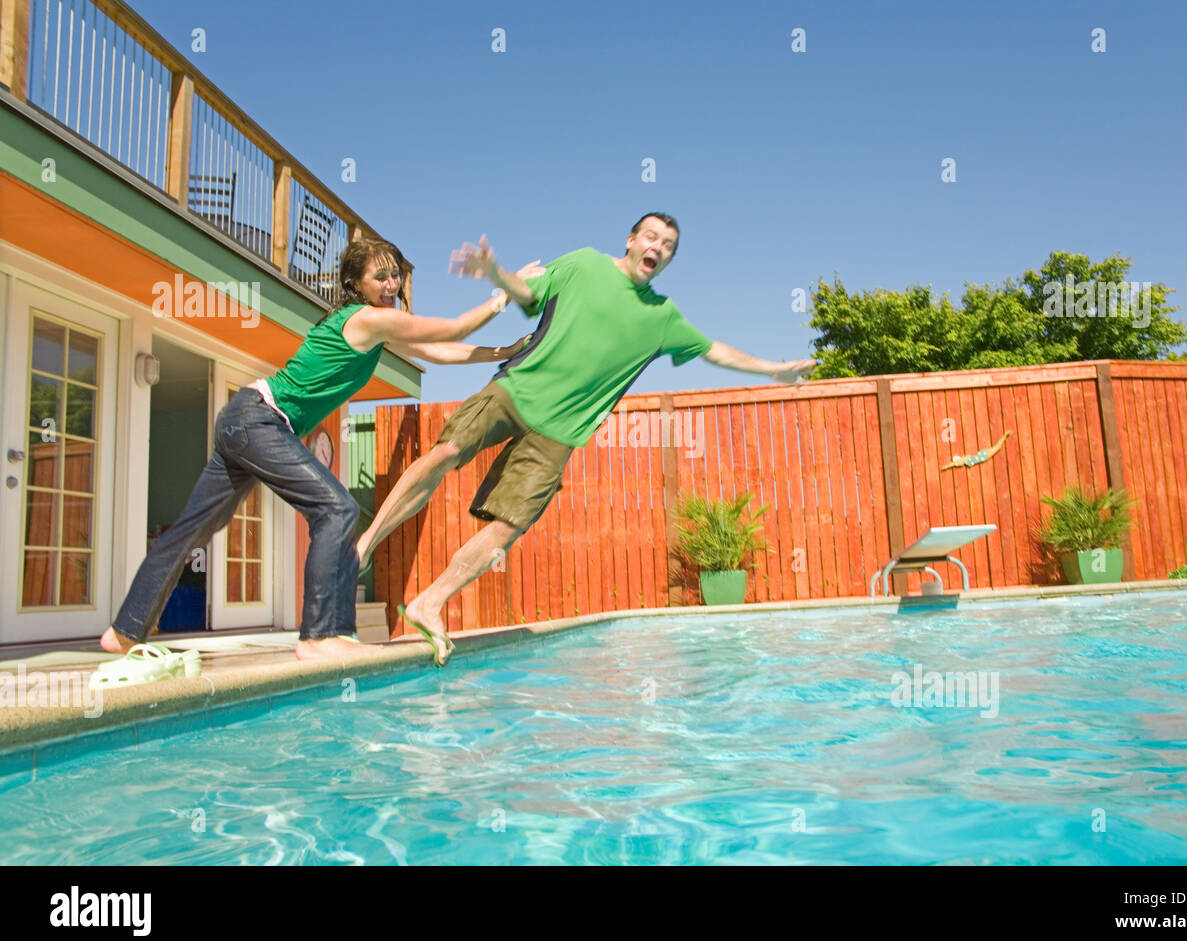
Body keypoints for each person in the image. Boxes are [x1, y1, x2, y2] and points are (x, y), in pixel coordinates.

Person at [356, 213, 817, 664]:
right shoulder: (584, 264)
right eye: (651, 237)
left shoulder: (663, 317)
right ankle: (367, 543)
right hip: (517, 390)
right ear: (631, 239)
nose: (657, 247)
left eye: (668, 245)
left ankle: (429, 603)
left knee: (507, 526)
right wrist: (496, 272)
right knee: (448, 450)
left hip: (561, 432)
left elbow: (715, 349)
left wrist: (773, 368)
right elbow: (529, 291)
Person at [99, 237, 537, 660]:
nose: (391, 285)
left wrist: (505, 350)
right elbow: (452, 326)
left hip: (243, 418)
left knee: (193, 529)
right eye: (380, 276)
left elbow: (442, 351)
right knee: (338, 508)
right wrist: (504, 292)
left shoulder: (375, 327)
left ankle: (123, 632)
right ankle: (319, 636)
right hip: (259, 419)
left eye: (395, 276)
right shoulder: (365, 319)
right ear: (357, 285)